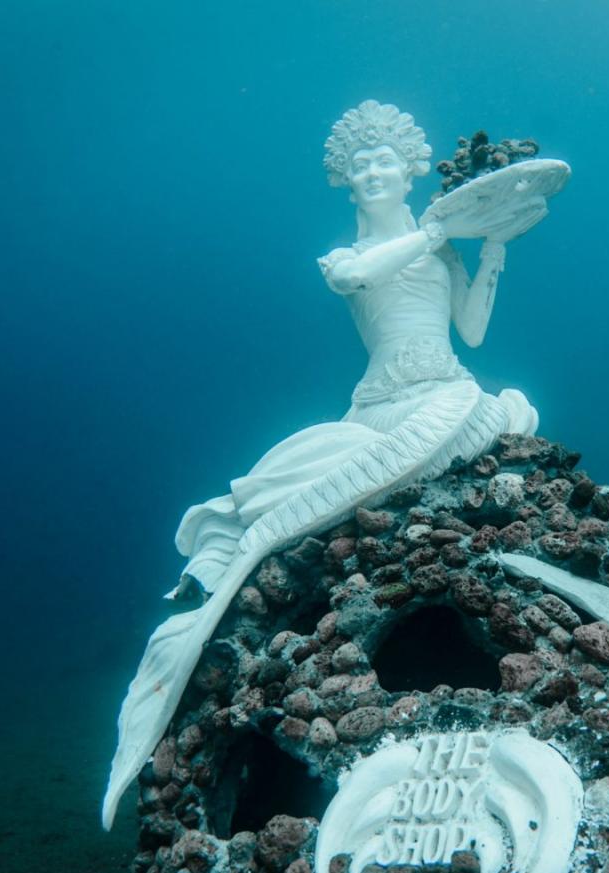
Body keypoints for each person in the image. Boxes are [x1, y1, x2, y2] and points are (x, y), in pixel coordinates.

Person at [101, 101, 539, 829]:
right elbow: (357, 275)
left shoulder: (444, 250)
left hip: (449, 390)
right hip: (381, 406)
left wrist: (492, 249)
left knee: (496, 412)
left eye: (384, 163)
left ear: (409, 172)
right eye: (360, 165)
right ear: (347, 180)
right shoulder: (348, 255)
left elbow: (473, 330)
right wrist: (436, 229)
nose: (372, 173)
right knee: (289, 492)